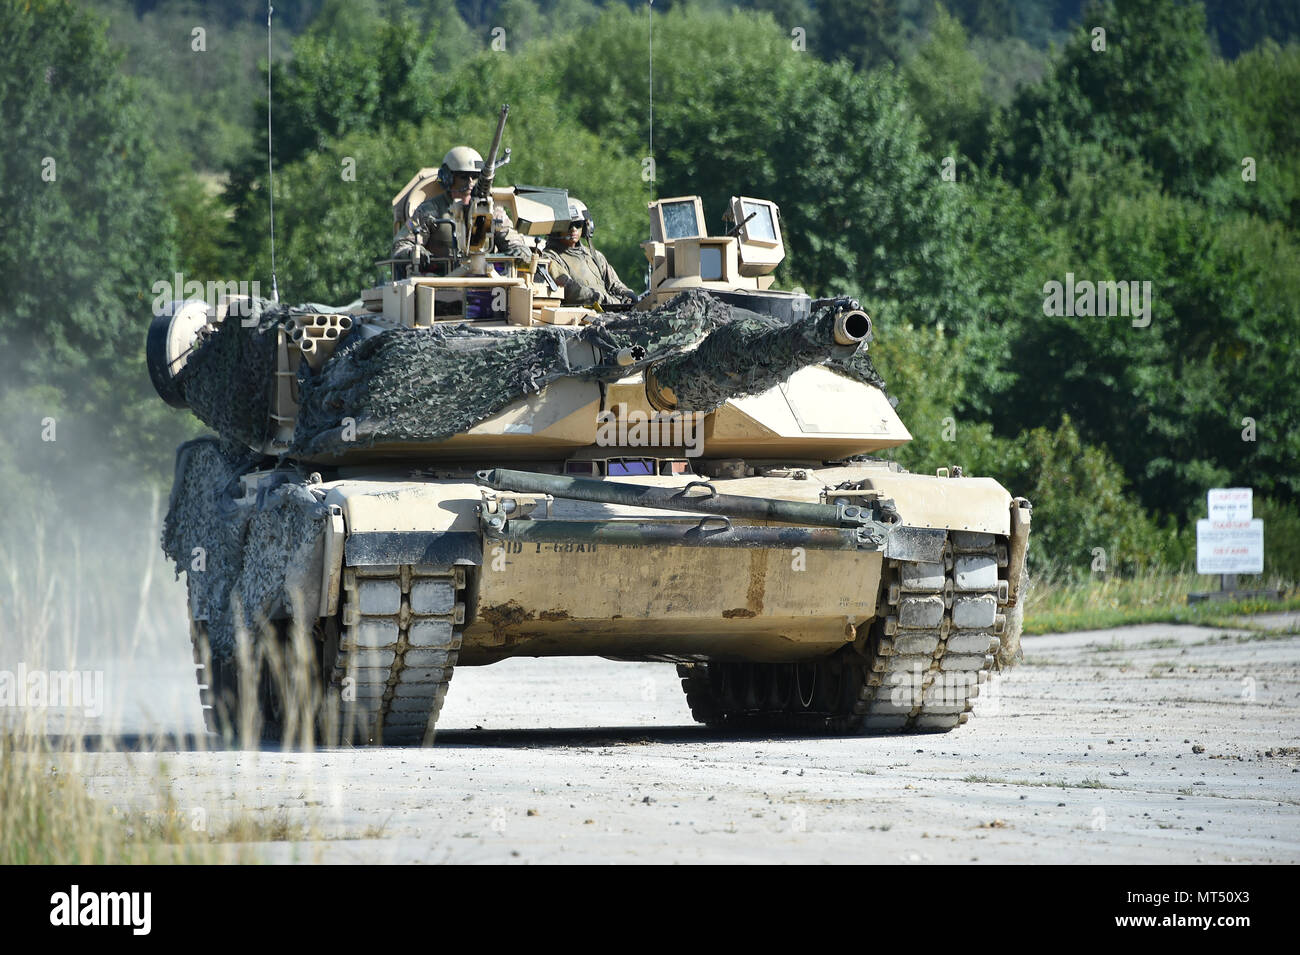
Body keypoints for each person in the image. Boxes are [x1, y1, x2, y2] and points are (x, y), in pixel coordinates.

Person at [392, 146, 530, 269]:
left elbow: (512, 239)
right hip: (439, 282)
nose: (470, 182)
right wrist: (413, 251)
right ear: (447, 177)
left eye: (475, 177)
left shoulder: (492, 211)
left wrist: (520, 249)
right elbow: (401, 244)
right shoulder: (428, 212)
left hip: (487, 283)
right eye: (464, 177)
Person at [543, 199, 635, 307]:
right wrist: (607, 300)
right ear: (555, 227)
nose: (573, 229)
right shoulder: (550, 258)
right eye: (568, 225)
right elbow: (571, 291)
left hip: (608, 311)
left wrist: (627, 294)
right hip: (580, 317)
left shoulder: (594, 255)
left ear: (586, 227)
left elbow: (614, 283)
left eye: (578, 224)